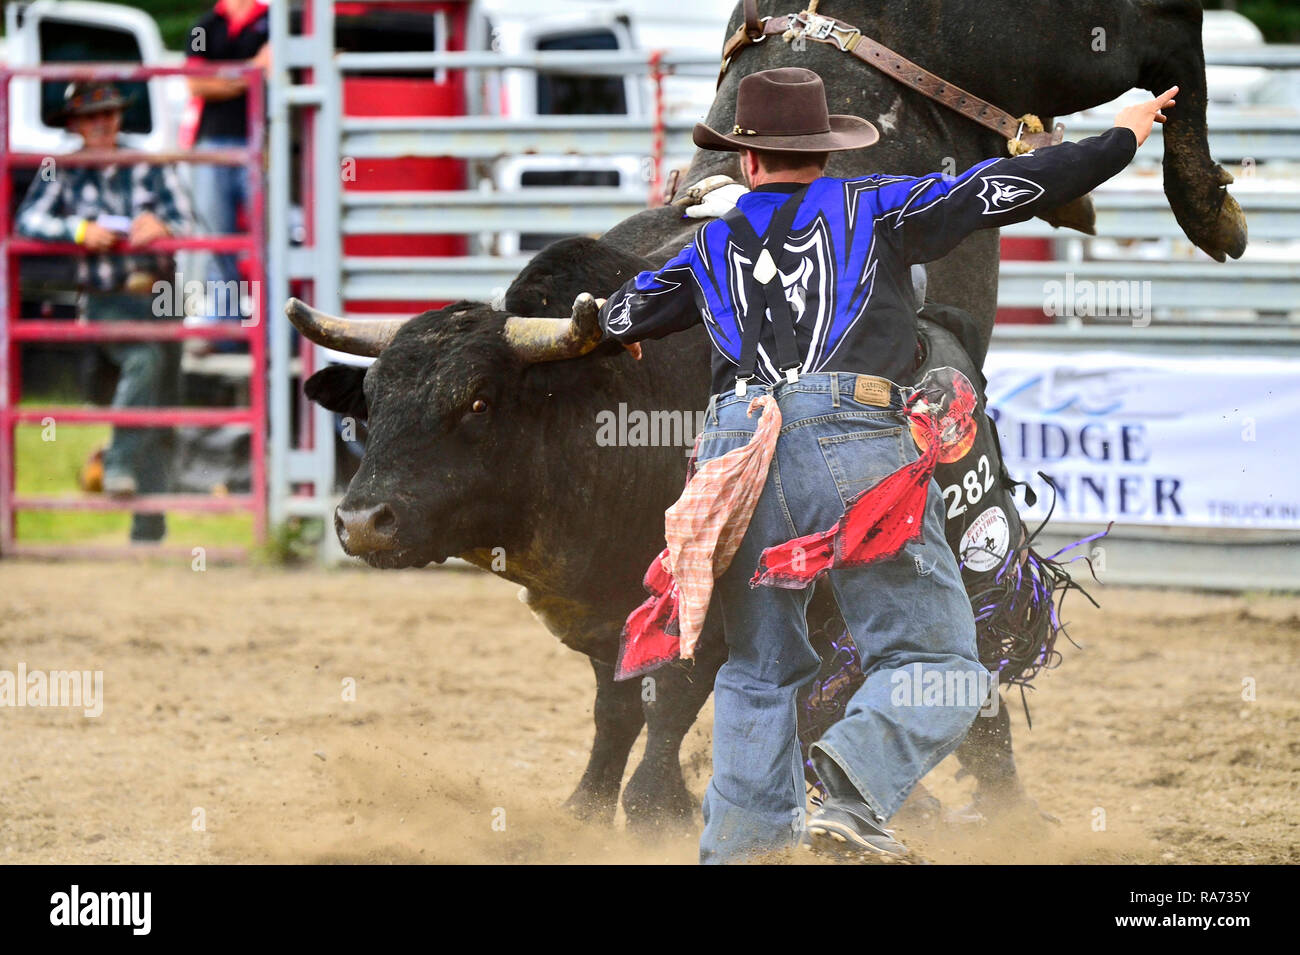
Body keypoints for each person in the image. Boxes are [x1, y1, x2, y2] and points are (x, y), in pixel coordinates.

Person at [596, 67, 1176, 864]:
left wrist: (629, 310)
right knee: (938, 658)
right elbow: (1008, 186)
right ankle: (850, 784)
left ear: (747, 161)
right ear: (824, 155)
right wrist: (1124, 136)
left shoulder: (705, 247)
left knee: (759, 668)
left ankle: (741, 850)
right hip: (853, 437)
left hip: (734, 458)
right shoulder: (876, 204)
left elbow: (618, 314)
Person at [16, 81, 193, 542]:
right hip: (106, 296)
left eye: (110, 114)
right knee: (145, 361)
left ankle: (148, 530)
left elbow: (187, 218)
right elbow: (27, 220)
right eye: (92, 116)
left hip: (160, 294)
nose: (102, 123)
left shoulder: (149, 163)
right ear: (74, 124)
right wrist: (78, 230)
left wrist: (162, 226)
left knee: (164, 407)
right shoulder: (61, 168)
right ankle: (116, 465)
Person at [185, 0, 269, 328]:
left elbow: (275, 70)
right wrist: (250, 72)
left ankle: (275, 328)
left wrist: (220, 79)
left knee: (269, 238)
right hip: (216, 145)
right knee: (218, 239)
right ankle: (226, 324)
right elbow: (195, 84)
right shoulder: (202, 26)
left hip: (261, 145)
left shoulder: (275, 21)